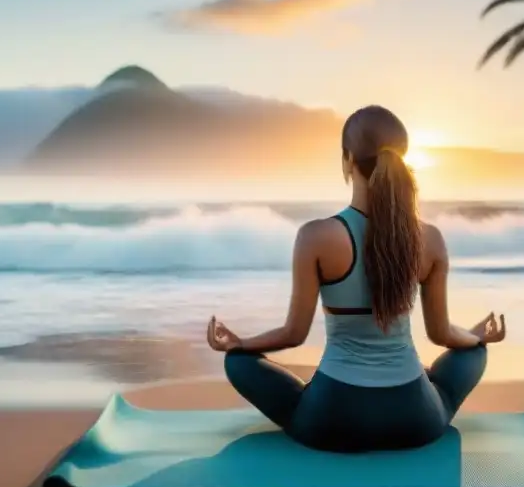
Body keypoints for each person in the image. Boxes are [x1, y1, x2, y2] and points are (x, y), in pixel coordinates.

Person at [205, 105, 507, 453]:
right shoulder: (430, 239)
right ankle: (441, 373)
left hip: (332, 421)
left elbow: (293, 335)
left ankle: (302, 399)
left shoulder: (316, 237)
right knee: (472, 354)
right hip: (416, 421)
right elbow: (441, 334)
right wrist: (476, 336)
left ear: (347, 160)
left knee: (239, 364)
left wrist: (240, 343)